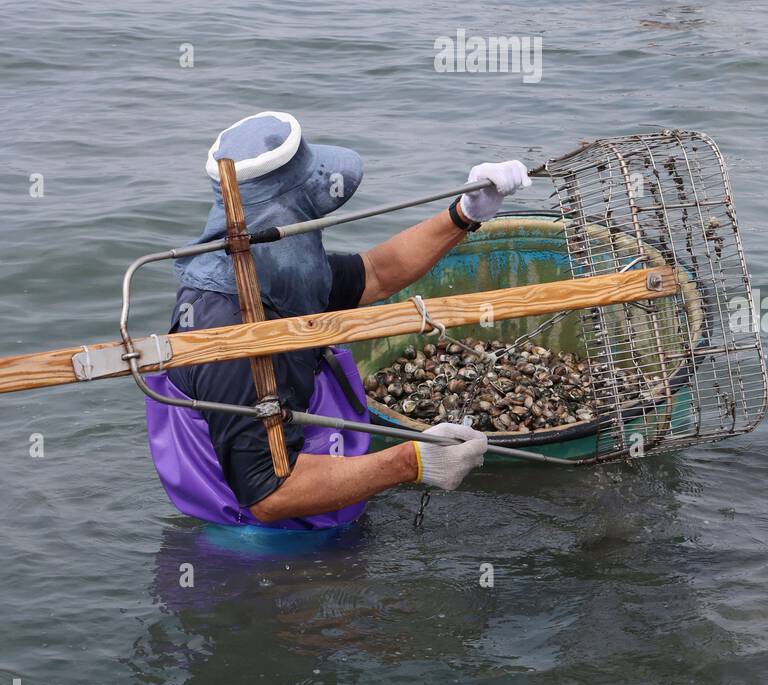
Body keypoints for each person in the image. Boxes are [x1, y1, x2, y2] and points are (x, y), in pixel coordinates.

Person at [143, 111, 532, 530]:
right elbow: (271, 493)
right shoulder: (232, 335)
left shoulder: (270, 273)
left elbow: (377, 273)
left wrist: (464, 214)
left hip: (324, 511)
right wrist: (412, 460)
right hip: (266, 554)